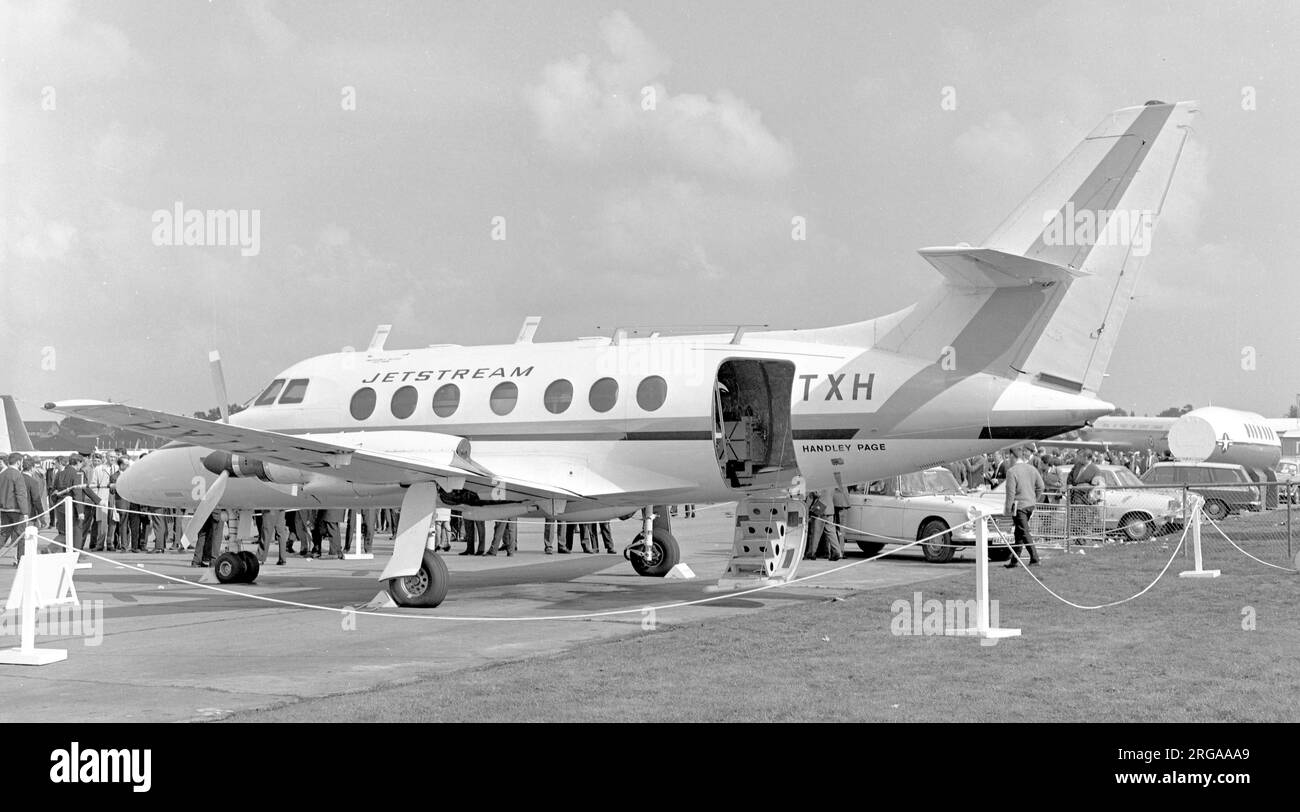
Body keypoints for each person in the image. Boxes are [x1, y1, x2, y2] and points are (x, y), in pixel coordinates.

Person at [1003, 447, 1044, 568]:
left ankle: (1035, 558)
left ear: (1012, 456)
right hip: (1030, 504)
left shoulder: (1012, 471)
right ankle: (1015, 561)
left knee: (1024, 532)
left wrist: (1007, 509)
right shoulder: (1032, 468)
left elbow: (1010, 493)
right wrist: (1034, 498)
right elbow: (1041, 486)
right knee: (1019, 533)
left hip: (1019, 506)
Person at [0, 454, 32, 563]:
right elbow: (21, 494)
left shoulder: (2, 474)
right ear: (18, 462)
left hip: (4, 510)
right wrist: (25, 512)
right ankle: (21, 560)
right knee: (21, 536)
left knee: (3, 535)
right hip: (16, 510)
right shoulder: (17, 475)